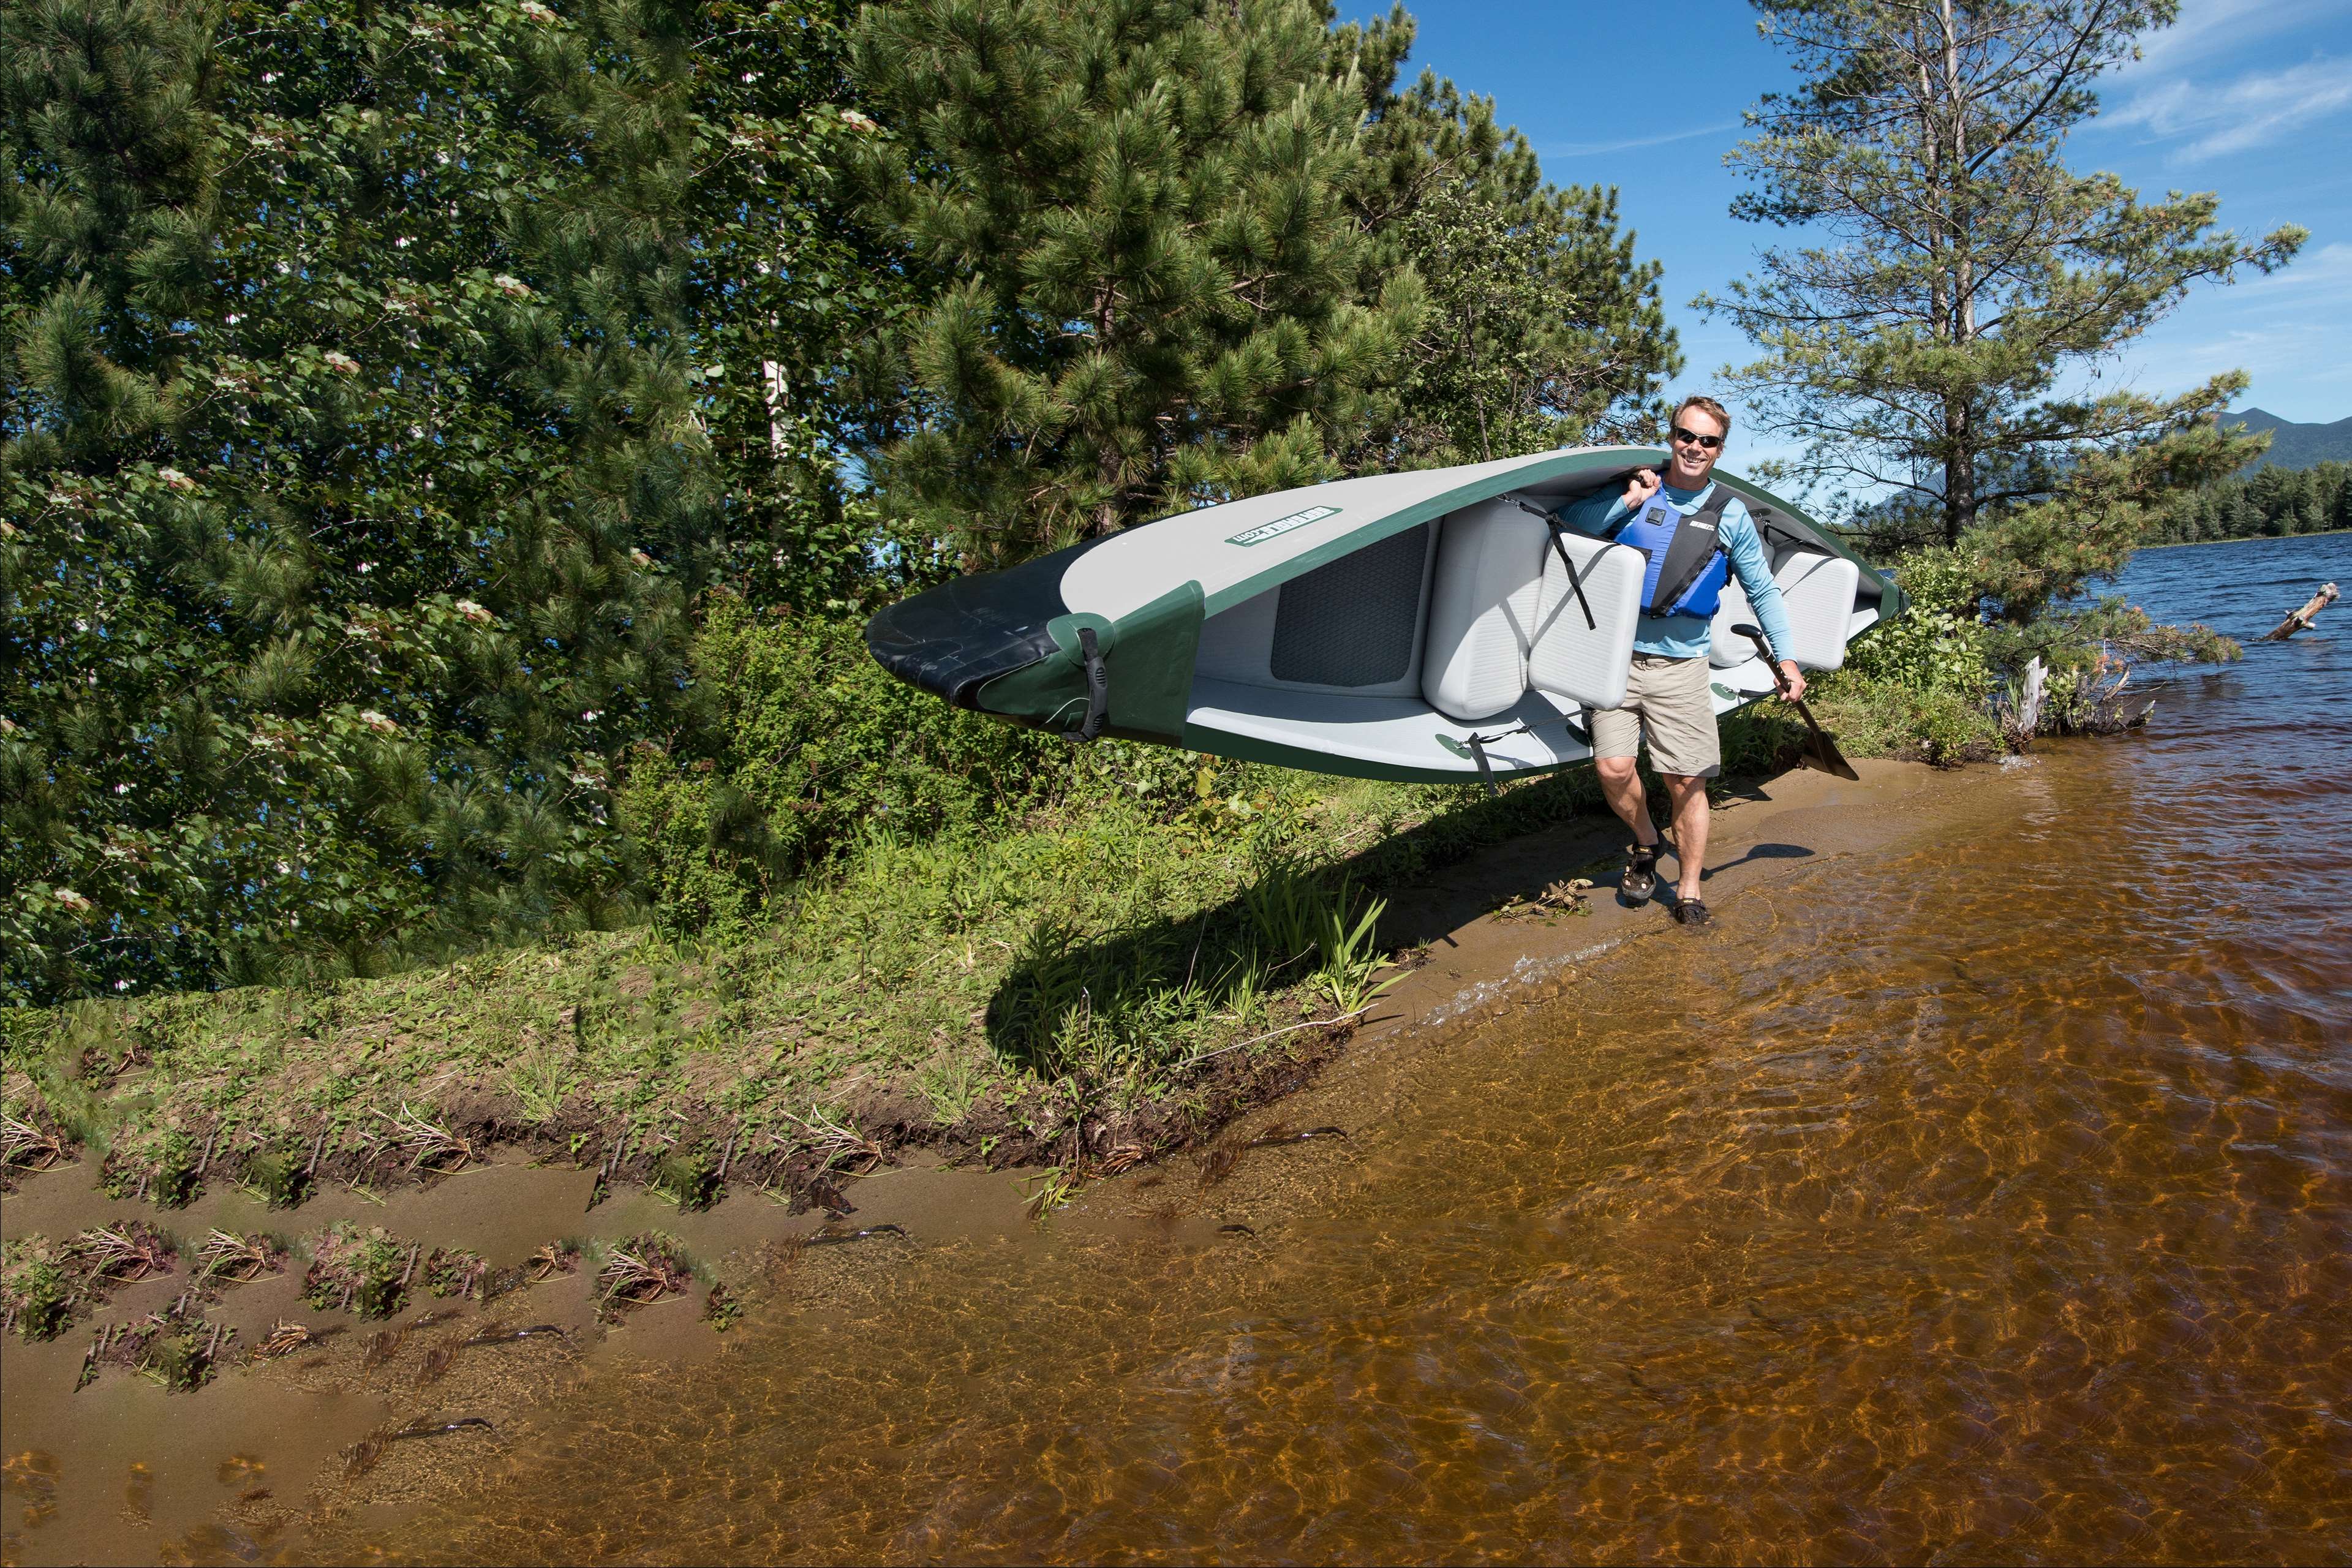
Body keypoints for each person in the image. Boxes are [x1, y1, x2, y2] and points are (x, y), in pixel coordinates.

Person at [1555, 396, 1804, 927]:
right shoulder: (1642, 489)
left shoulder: (1730, 514)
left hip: (1682, 668)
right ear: (1673, 438)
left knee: (1685, 781)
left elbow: (1763, 590)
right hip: (1616, 663)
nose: (1694, 448)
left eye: (1707, 441)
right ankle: (1646, 842)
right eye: (1686, 436)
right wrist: (1630, 498)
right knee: (1613, 768)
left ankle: (1688, 890)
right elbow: (1571, 523)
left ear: (1719, 450)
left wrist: (1787, 658)